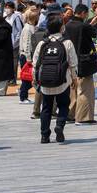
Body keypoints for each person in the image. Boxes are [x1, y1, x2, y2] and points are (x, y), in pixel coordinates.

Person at [32, 15, 78, 144]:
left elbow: (36, 63)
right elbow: (73, 63)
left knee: (46, 108)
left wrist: (35, 79)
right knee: (63, 105)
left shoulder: (42, 43)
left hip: (46, 81)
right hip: (62, 81)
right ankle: (60, 125)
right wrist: (74, 79)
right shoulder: (67, 42)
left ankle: (44, 135)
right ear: (62, 27)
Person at [63, 3, 97, 123]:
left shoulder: (67, 25)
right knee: (85, 89)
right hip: (84, 61)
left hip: (70, 61)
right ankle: (84, 117)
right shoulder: (84, 26)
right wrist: (96, 22)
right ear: (83, 13)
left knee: (73, 89)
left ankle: (70, 114)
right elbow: (96, 34)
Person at [18, 8, 40, 104]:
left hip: (26, 55)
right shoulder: (28, 29)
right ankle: (23, 96)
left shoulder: (29, 27)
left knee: (28, 78)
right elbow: (26, 44)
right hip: (27, 56)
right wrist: (29, 58)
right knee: (28, 78)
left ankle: (23, 94)